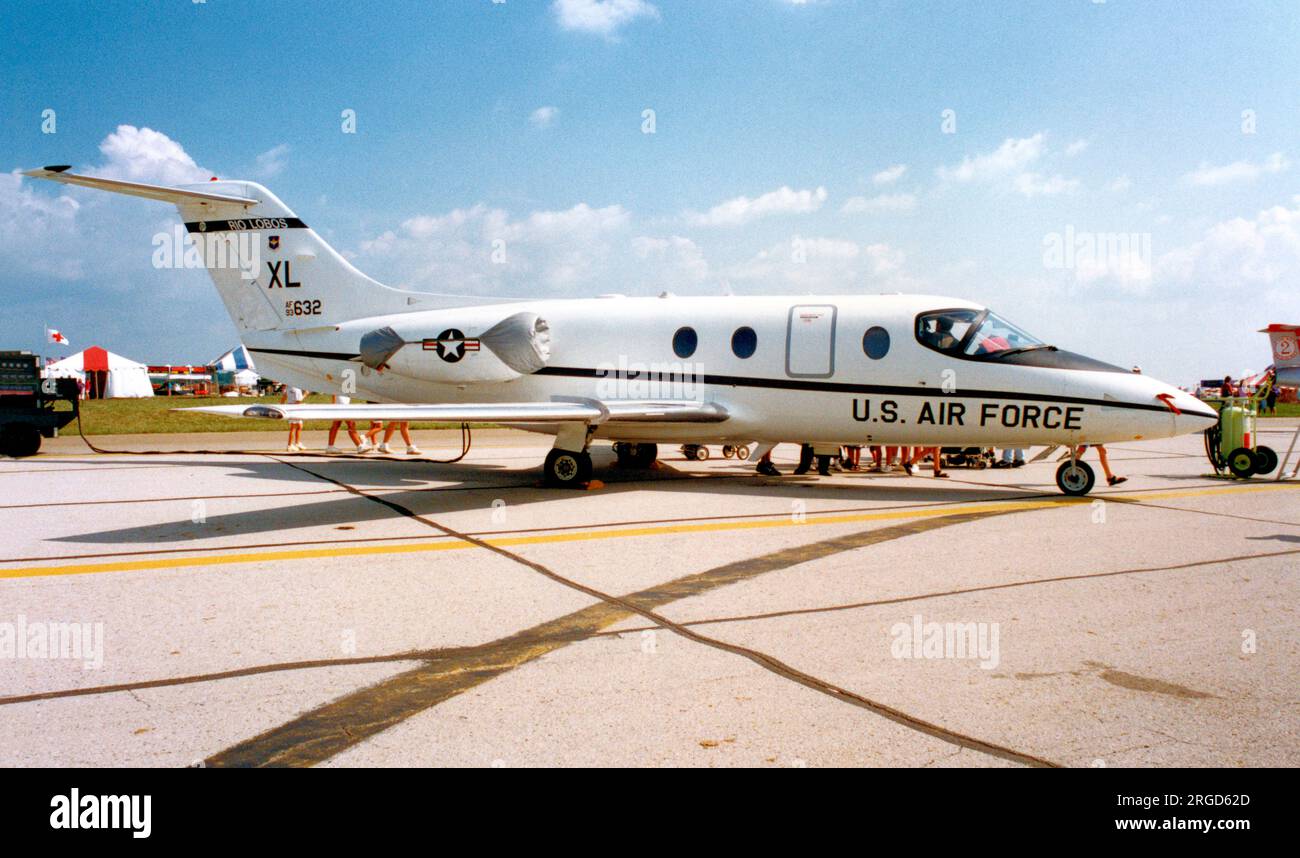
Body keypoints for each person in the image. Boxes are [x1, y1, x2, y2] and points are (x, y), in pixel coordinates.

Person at [281, 385, 306, 452]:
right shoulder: (297, 389)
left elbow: (284, 397)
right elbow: (298, 401)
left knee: (299, 426)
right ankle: (289, 445)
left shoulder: (289, 387)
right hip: (295, 409)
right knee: (293, 427)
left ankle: (297, 443)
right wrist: (305, 394)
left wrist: (282, 406)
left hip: (291, 408)